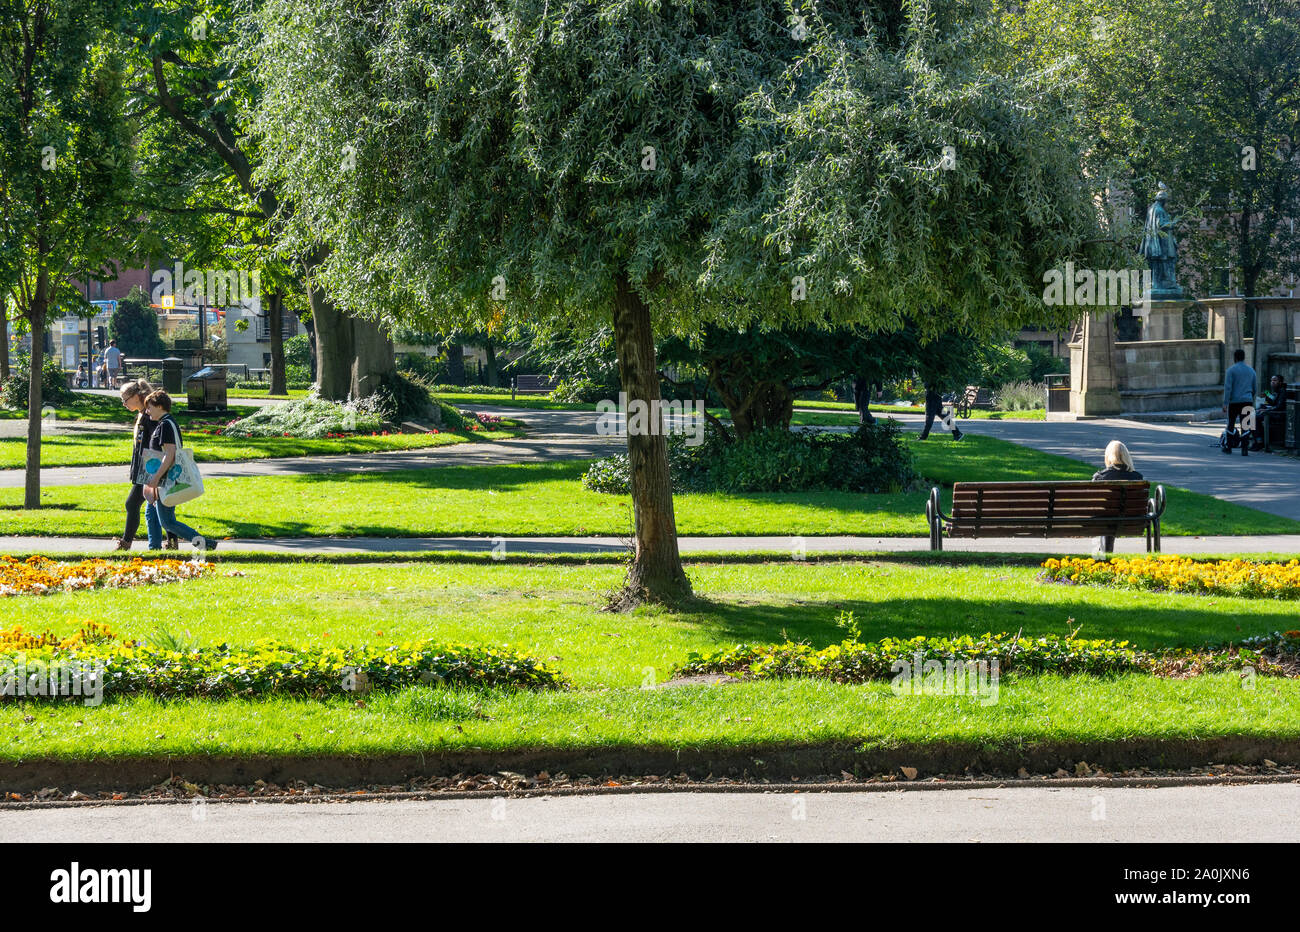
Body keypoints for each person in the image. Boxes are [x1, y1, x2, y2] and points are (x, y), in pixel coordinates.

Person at [140, 389, 218, 552]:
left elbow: (170, 454)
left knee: (167, 522)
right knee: (160, 516)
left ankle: (205, 543)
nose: (147, 412)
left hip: (167, 478)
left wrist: (156, 478)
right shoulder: (165, 423)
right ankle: (156, 548)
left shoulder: (166, 425)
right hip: (165, 478)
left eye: (150, 407)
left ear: (160, 406)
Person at [113, 380, 177, 551]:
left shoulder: (151, 416)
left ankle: (126, 543)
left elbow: (160, 445)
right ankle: (170, 543)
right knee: (159, 507)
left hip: (150, 469)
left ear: (137, 396)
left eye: (125, 399)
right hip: (144, 469)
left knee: (133, 504)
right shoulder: (144, 414)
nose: (124, 403)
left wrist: (156, 474)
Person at [1092, 440, 1144, 552]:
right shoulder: (1137, 477)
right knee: (1109, 517)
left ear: (1108, 456)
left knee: (1106, 517)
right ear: (1126, 456)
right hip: (1131, 520)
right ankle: (1104, 553)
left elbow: (1094, 503)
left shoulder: (1100, 477)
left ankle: (1101, 554)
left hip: (1104, 520)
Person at [1222, 348, 1257, 457]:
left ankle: (1228, 447)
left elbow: (1228, 388)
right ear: (1244, 357)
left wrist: (1225, 403)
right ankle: (1245, 448)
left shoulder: (1231, 370)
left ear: (1235, 358)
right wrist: (1250, 397)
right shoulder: (1251, 370)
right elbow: (1255, 387)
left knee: (1231, 423)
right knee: (1246, 424)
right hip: (1248, 401)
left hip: (1234, 402)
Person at [1251, 375, 1288, 451]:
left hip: (1278, 414)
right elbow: (1273, 401)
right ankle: (1255, 440)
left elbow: (1279, 406)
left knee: (1254, 418)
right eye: (1271, 381)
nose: (1272, 382)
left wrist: (1266, 410)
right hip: (1273, 412)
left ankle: (1259, 441)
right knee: (1251, 415)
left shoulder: (1283, 391)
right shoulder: (1277, 391)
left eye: (1275, 380)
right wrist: (1265, 401)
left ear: (1280, 382)